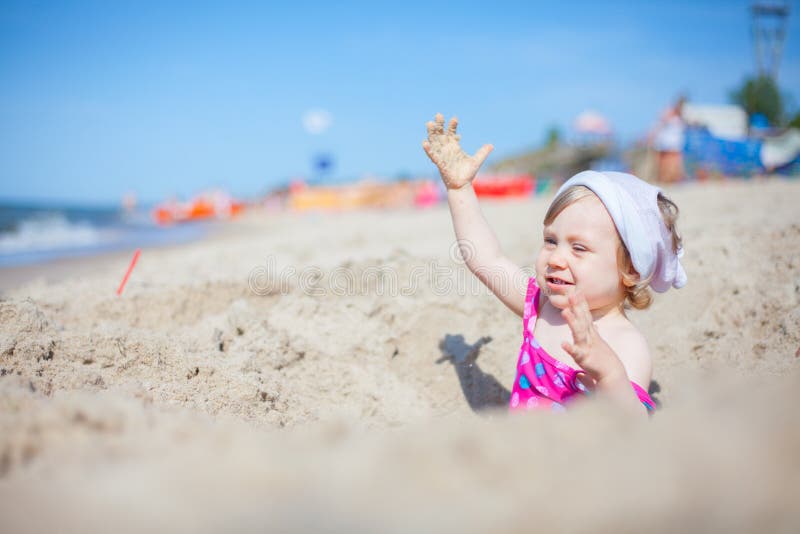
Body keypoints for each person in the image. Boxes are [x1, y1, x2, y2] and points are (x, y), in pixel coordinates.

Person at [422, 113, 686, 417]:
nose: (556, 259)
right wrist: (459, 190)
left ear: (630, 270)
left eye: (579, 248)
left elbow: (635, 425)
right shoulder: (540, 305)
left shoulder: (627, 344)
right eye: (550, 241)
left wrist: (610, 373)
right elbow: (486, 259)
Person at [650, 96, 686, 183]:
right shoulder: (669, 113)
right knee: (664, 165)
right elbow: (659, 125)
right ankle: (664, 181)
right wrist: (652, 136)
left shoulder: (682, 115)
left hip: (675, 144)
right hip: (665, 143)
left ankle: (671, 181)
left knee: (673, 165)